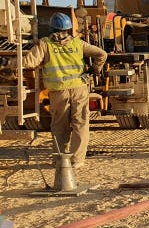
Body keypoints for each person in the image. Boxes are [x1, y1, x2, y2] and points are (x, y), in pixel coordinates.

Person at [0, 12, 107, 169]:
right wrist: (94, 70)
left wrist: (8, 62)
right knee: (81, 125)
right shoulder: (77, 43)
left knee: (59, 126)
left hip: (58, 92)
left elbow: (29, 62)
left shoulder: (45, 44)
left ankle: (59, 160)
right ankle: (77, 160)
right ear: (69, 28)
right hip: (79, 89)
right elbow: (101, 54)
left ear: (51, 28)